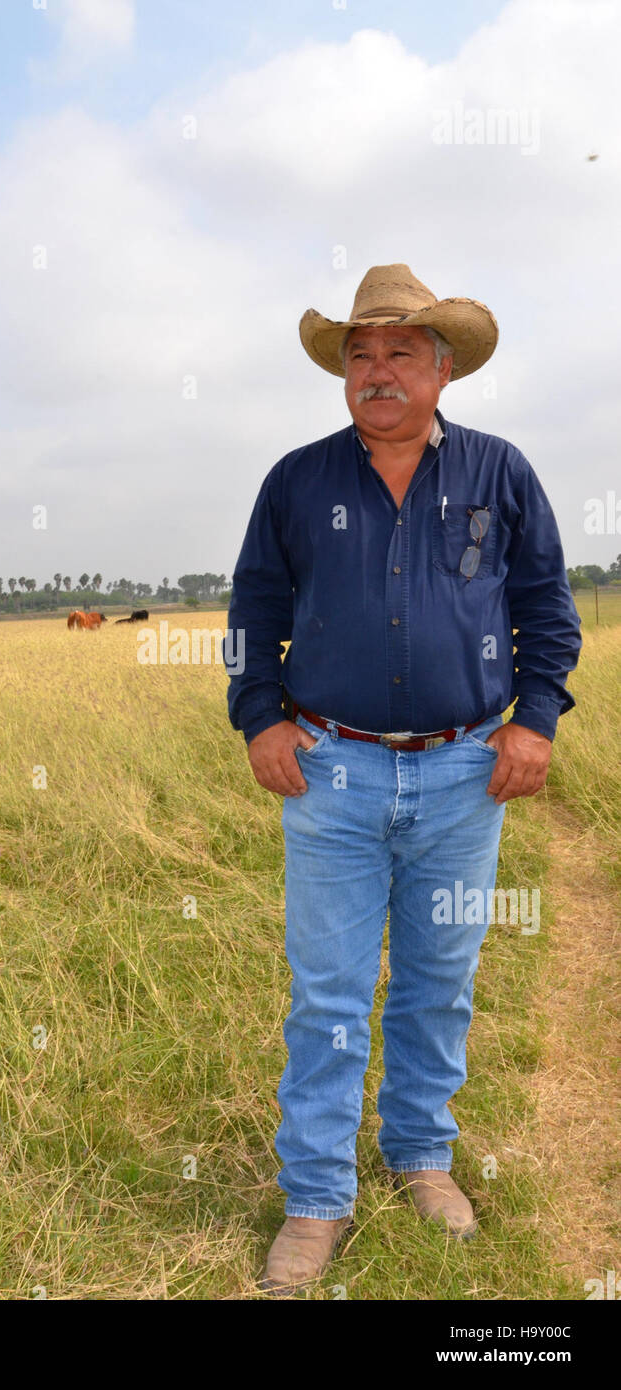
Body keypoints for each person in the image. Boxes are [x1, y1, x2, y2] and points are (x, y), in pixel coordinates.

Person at [222, 263, 582, 1296]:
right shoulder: (297, 481)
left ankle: (421, 1157)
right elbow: (253, 609)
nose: (375, 372)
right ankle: (315, 1199)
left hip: (467, 770)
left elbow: (545, 610)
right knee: (328, 990)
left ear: (440, 367)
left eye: (396, 354)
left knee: (437, 982)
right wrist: (259, 719)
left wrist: (535, 723)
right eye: (358, 356)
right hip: (327, 770)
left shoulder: (498, 473)